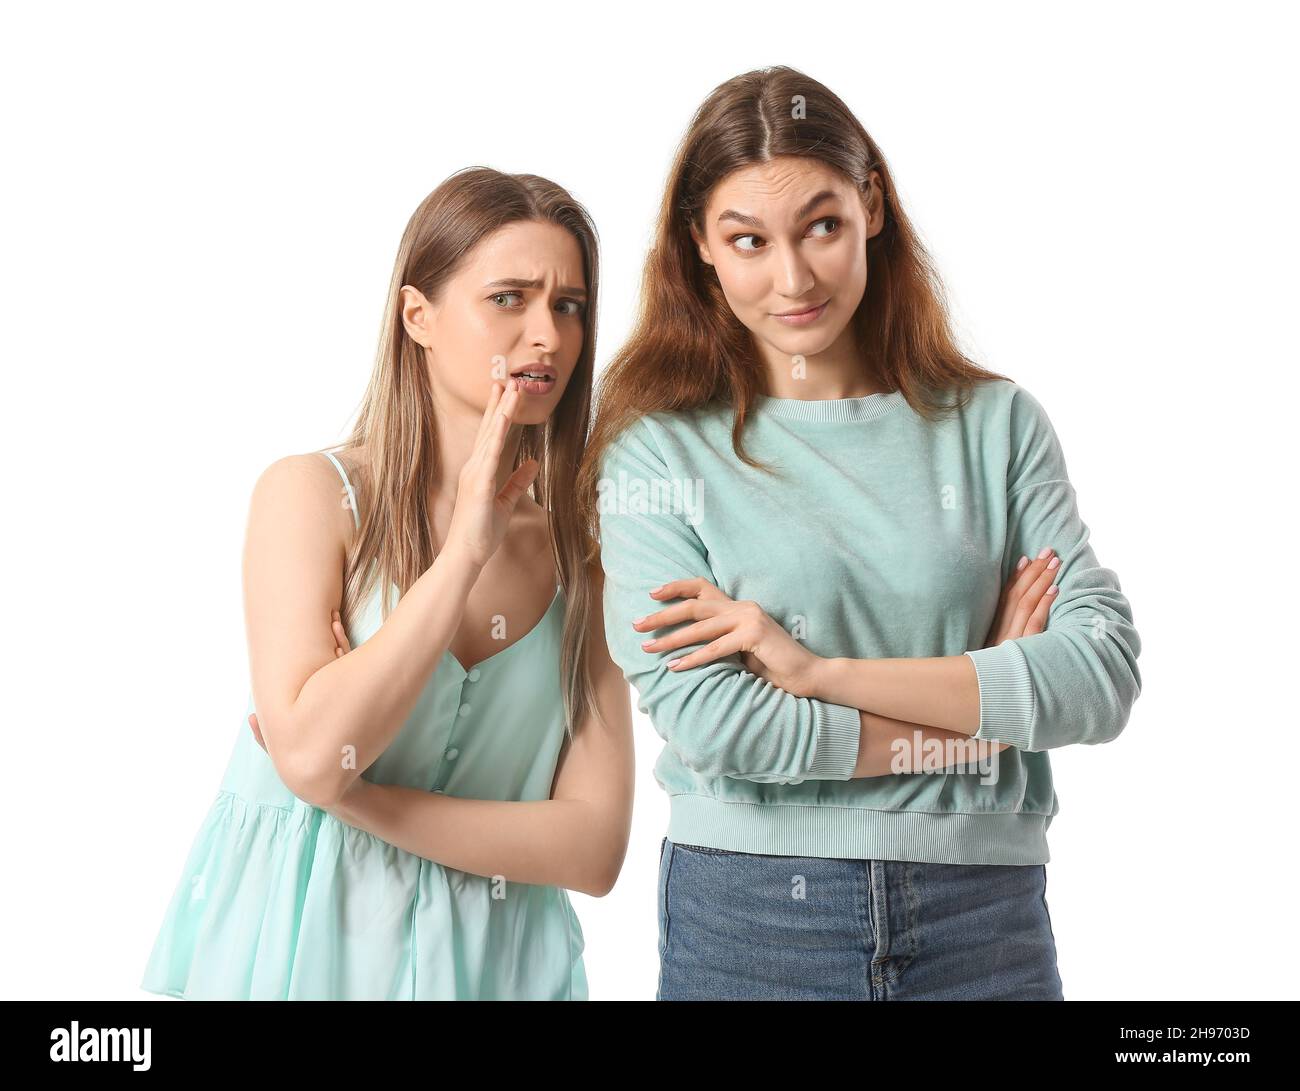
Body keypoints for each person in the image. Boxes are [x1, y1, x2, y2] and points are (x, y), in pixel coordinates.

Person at [578, 66, 1142, 1000]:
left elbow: (1101, 677)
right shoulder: (655, 454)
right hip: (756, 912)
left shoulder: (994, 425)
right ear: (701, 249)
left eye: (823, 225)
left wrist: (819, 674)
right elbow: (721, 726)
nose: (793, 278)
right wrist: (977, 725)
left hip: (984, 913)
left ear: (871, 206)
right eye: (748, 240)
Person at [141, 167, 633, 1000]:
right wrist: (462, 559)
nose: (545, 333)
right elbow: (305, 748)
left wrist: (358, 800)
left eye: (569, 305)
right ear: (418, 317)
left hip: (495, 968)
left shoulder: (585, 551)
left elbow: (593, 849)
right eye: (509, 298)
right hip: (296, 950)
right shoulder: (309, 497)